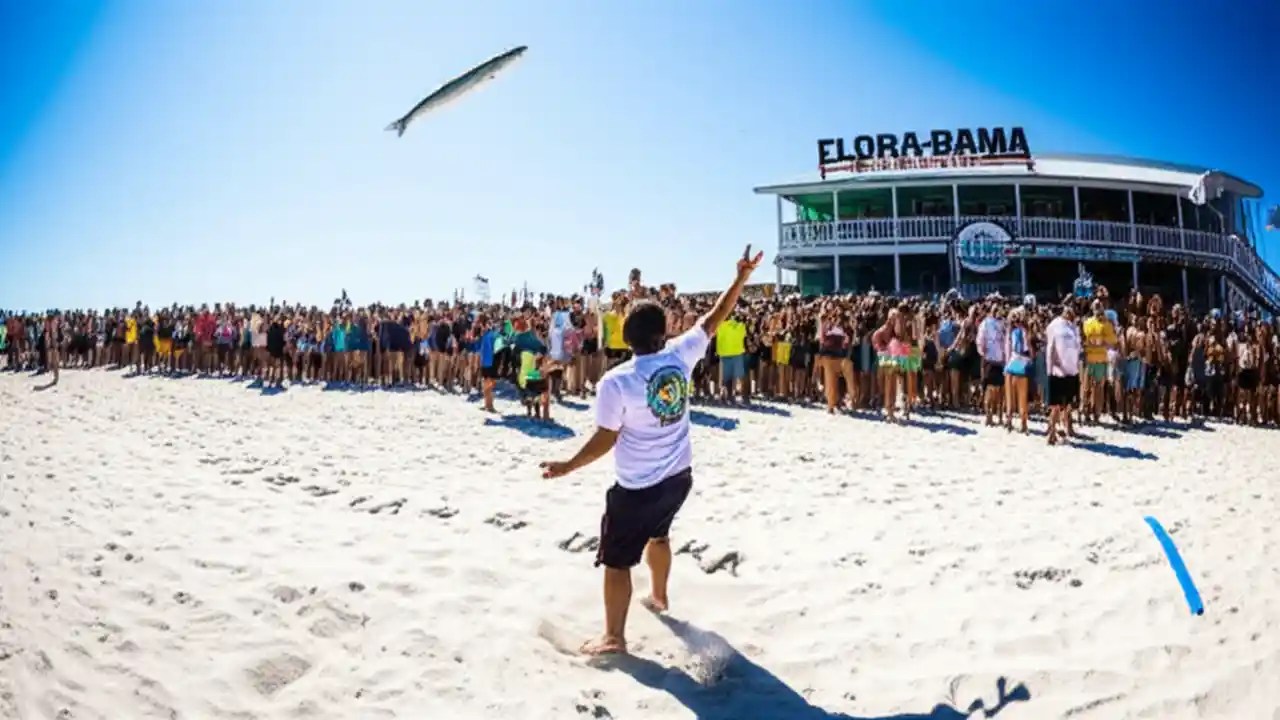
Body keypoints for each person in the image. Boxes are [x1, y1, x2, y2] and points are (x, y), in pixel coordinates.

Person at [539, 245, 764, 656]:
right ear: (665, 333)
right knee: (659, 534)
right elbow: (715, 318)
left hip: (637, 486)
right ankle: (659, 597)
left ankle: (614, 636)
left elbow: (605, 440)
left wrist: (568, 465)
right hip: (679, 478)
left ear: (625, 337)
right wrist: (741, 278)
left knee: (617, 560)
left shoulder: (616, 381)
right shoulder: (681, 355)